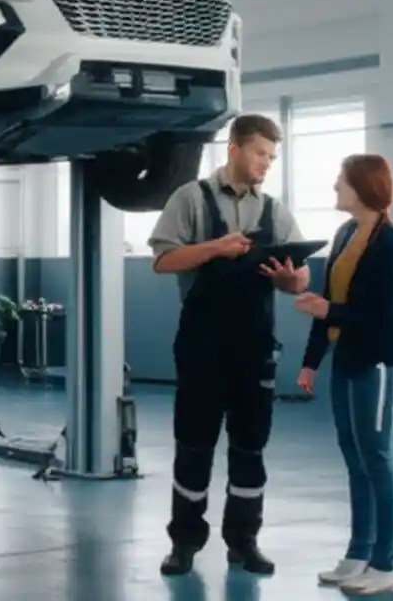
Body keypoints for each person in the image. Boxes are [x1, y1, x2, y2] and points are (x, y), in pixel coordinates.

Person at [148, 113, 310, 576]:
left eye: (272, 156)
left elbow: (300, 280)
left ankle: (244, 541)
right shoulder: (191, 198)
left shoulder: (276, 211)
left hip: (254, 348)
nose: (266, 163)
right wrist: (215, 249)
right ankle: (184, 544)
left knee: (250, 448)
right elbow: (162, 260)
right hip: (202, 347)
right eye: (260, 153)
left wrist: (289, 279)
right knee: (194, 445)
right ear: (234, 149)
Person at [292, 153, 393, 596]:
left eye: (340, 181)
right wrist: (311, 361)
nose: (335, 187)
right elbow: (328, 301)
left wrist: (330, 310)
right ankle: (359, 554)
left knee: (377, 458)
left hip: (375, 365)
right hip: (344, 361)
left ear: (363, 187)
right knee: (354, 458)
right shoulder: (345, 235)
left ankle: (385, 564)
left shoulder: (391, 247)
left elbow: (388, 321)